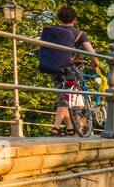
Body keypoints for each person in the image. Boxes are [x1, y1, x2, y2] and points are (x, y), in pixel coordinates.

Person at [37, 7, 100, 135]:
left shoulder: (53, 33)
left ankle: (70, 129)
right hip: (69, 69)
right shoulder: (79, 34)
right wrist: (95, 62)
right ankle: (55, 128)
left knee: (64, 97)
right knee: (65, 100)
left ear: (59, 19)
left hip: (54, 69)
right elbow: (90, 51)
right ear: (74, 19)